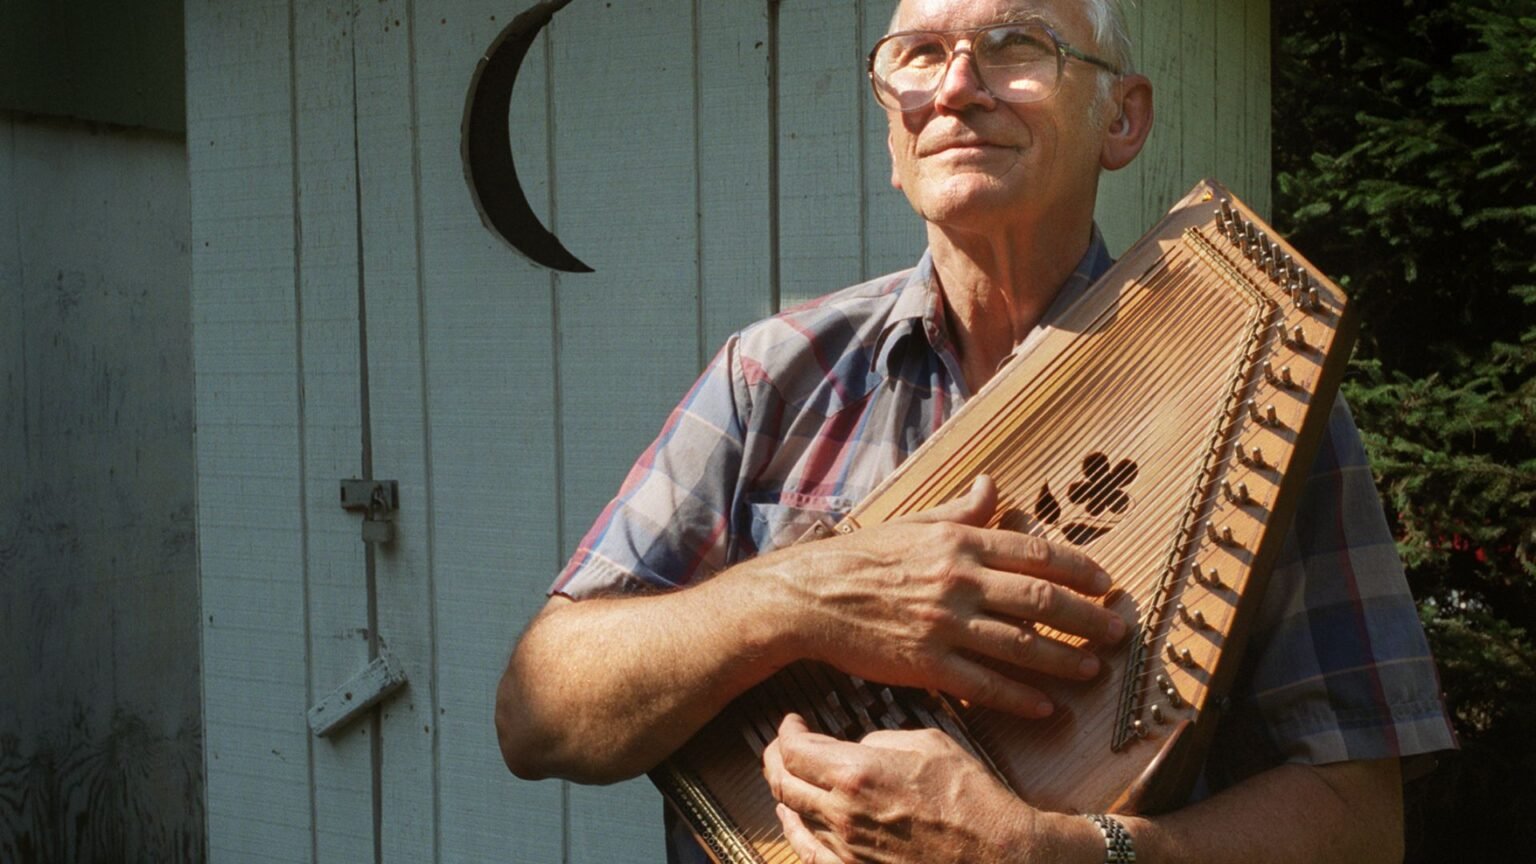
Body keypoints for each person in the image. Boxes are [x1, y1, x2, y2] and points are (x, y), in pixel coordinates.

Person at [495, 0, 1457, 861]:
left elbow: (1360, 820)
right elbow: (538, 719)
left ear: (1121, 120)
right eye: (918, 54)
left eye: (1015, 47)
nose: (957, 87)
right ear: (893, 142)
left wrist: (1051, 854)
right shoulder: (773, 374)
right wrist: (799, 595)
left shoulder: (1262, 390)